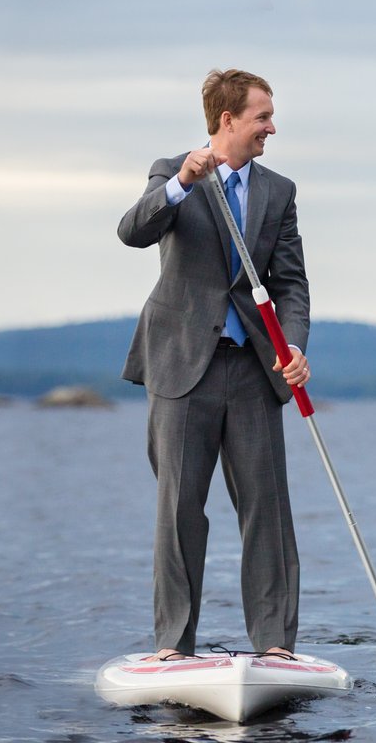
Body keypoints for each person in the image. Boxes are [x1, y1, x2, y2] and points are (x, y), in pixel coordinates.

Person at [118, 68, 311, 662]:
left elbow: (292, 284)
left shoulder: (278, 191)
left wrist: (295, 346)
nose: (271, 128)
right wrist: (180, 183)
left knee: (267, 509)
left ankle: (275, 645)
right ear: (227, 120)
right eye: (262, 117)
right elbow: (132, 230)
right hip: (180, 367)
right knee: (179, 510)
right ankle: (174, 647)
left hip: (254, 370)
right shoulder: (170, 169)